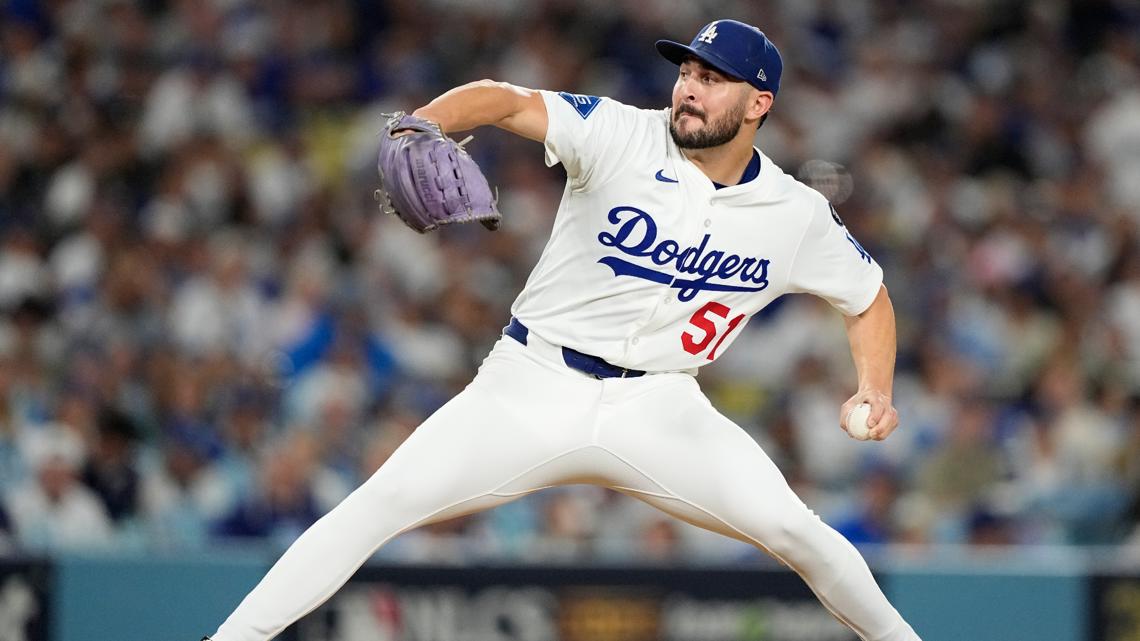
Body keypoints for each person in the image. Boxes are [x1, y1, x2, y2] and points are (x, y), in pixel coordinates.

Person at [204, 19, 921, 641]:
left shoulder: (792, 213)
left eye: (715, 78)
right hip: (531, 383)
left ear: (759, 102)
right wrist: (428, 118)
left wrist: (874, 387)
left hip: (661, 407)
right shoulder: (619, 132)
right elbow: (509, 100)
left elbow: (868, 296)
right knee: (376, 505)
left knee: (801, 533)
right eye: (688, 71)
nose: (691, 87)